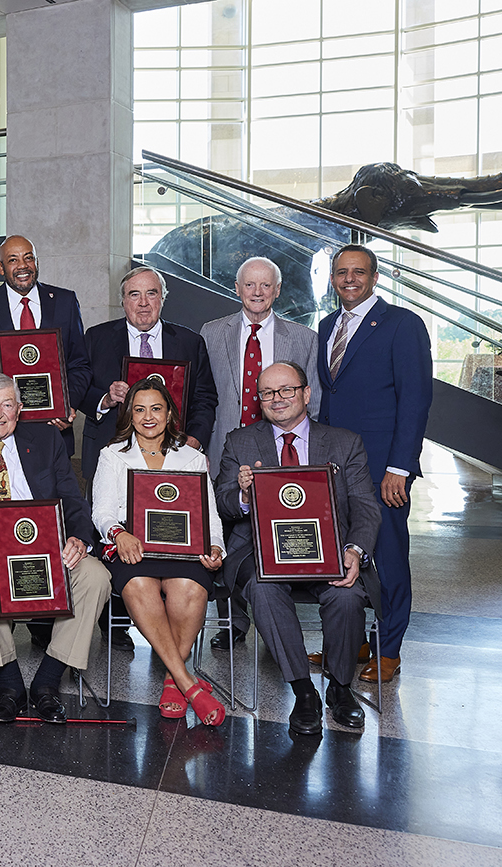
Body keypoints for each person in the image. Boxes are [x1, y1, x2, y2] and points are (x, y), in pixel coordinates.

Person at [216, 363, 380, 734]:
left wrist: (353, 550)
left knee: (347, 597)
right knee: (263, 588)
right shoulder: (239, 442)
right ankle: (304, 692)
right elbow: (220, 503)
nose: (278, 399)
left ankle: (340, 688)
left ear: (307, 393)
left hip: (330, 552)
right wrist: (242, 493)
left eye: (287, 390)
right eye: (268, 393)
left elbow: (366, 508)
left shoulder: (343, 442)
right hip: (261, 554)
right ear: (259, 400)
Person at [0, 373, 111, 722]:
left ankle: (47, 681)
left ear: (20, 408)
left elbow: (72, 497)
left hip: (47, 543)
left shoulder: (47, 439)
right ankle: (10, 683)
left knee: (96, 577)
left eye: (7, 404)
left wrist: (79, 537)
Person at [81, 265, 218, 650]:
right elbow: (77, 389)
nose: (143, 303)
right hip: (115, 453)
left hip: (174, 456)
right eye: (134, 295)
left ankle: (169, 635)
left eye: (151, 294)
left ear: (163, 298)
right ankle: (114, 625)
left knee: (168, 534)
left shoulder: (189, 342)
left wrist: (193, 441)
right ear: (122, 300)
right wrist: (106, 398)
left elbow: (206, 397)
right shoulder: (96, 338)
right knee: (110, 522)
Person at [316, 244, 432, 684]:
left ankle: (389, 647)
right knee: (345, 553)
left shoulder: (403, 325)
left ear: (375, 276)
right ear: (332, 279)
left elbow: (415, 401)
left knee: (388, 556)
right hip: (336, 466)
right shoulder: (327, 325)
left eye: (358, 272)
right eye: (341, 272)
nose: (349, 279)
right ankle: (353, 642)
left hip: (384, 469)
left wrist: (400, 467)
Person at [199, 256, 320, 650]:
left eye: (265, 285)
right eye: (249, 285)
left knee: (278, 526)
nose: (257, 292)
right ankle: (231, 622)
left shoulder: (303, 338)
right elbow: (203, 394)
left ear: (278, 290)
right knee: (227, 531)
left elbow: (311, 399)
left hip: (280, 448)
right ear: (237, 288)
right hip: (226, 446)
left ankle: (276, 618)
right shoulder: (212, 332)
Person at [91, 378, 227, 726]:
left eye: (156, 409)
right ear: (129, 415)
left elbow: (208, 514)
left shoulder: (192, 457)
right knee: (138, 585)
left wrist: (215, 547)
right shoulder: (112, 455)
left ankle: (173, 681)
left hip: (182, 547)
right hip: (131, 545)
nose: (148, 417)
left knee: (191, 588)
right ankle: (188, 683)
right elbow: (101, 510)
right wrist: (118, 533)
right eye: (139, 409)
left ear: (169, 414)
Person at [0, 235, 91, 454]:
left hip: (54, 430)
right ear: (1, 267)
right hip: (0, 431)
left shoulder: (65, 302)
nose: (22, 266)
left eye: (29, 258)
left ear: (36, 262)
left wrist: (68, 405)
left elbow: (80, 364)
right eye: (13, 260)